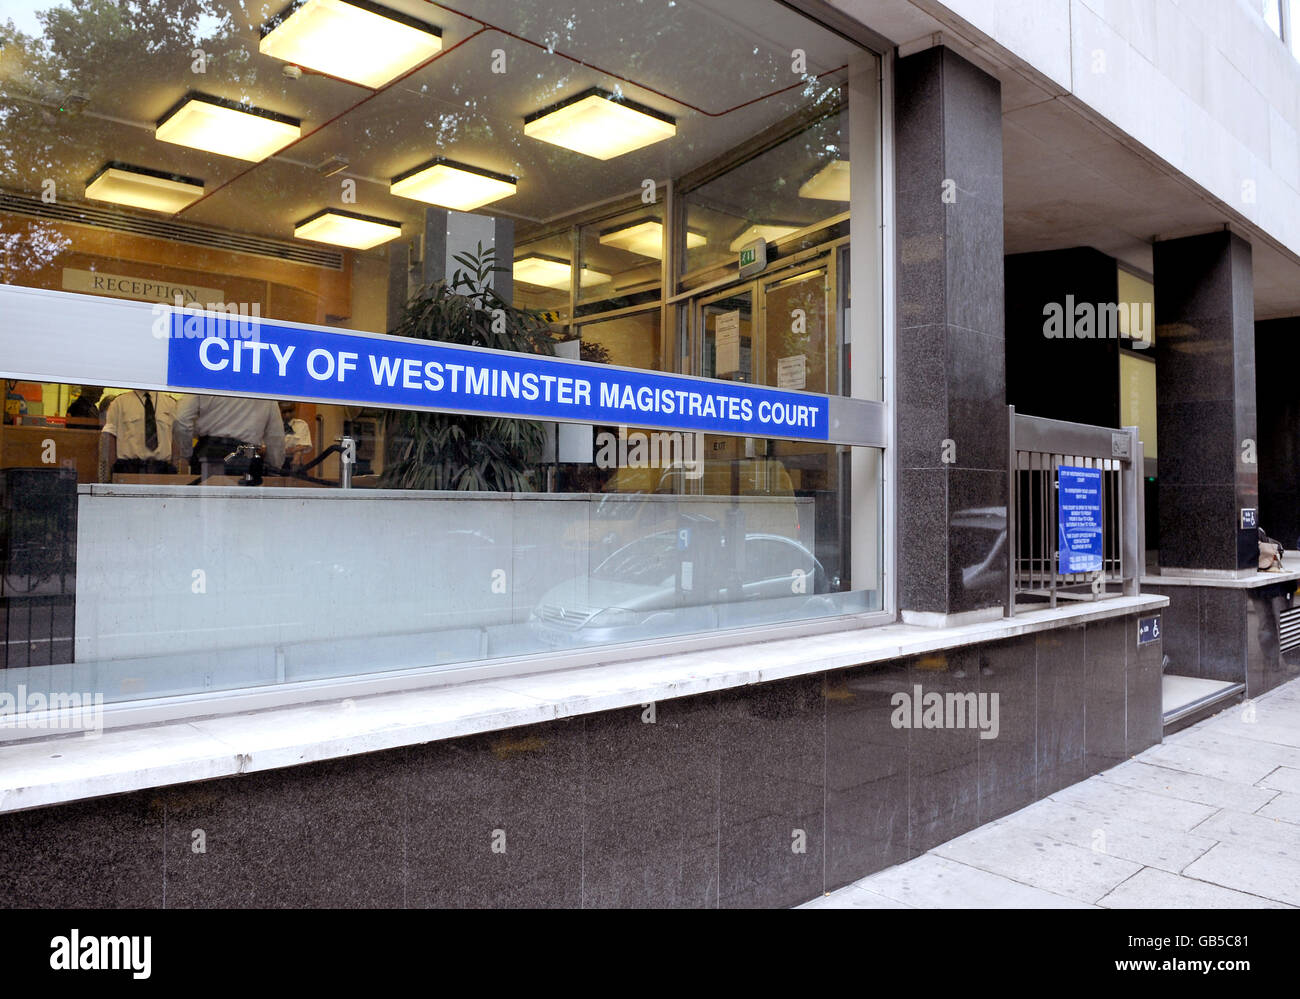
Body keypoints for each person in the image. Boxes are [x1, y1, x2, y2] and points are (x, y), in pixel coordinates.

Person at [173, 393, 285, 477]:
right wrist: (273, 468)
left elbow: (181, 420)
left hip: (208, 454)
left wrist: (186, 454)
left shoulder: (207, 376)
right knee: (243, 506)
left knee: (204, 505)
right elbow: (276, 436)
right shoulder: (263, 387)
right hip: (246, 458)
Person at [102, 389, 179, 475]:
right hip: (129, 469)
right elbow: (109, 437)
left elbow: (176, 438)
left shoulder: (170, 404)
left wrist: (176, 469)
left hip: (162, 469)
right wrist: (110, 474)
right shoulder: (119, 403)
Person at [278, 400, 313, 472]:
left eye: (290, 411)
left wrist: (292, 451)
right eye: (284, 412)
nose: (287, 415)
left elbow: (304, 446)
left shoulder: (301, 425)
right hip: (275, 462)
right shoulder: (273, 426)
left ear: (294, 411)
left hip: (294, 461)